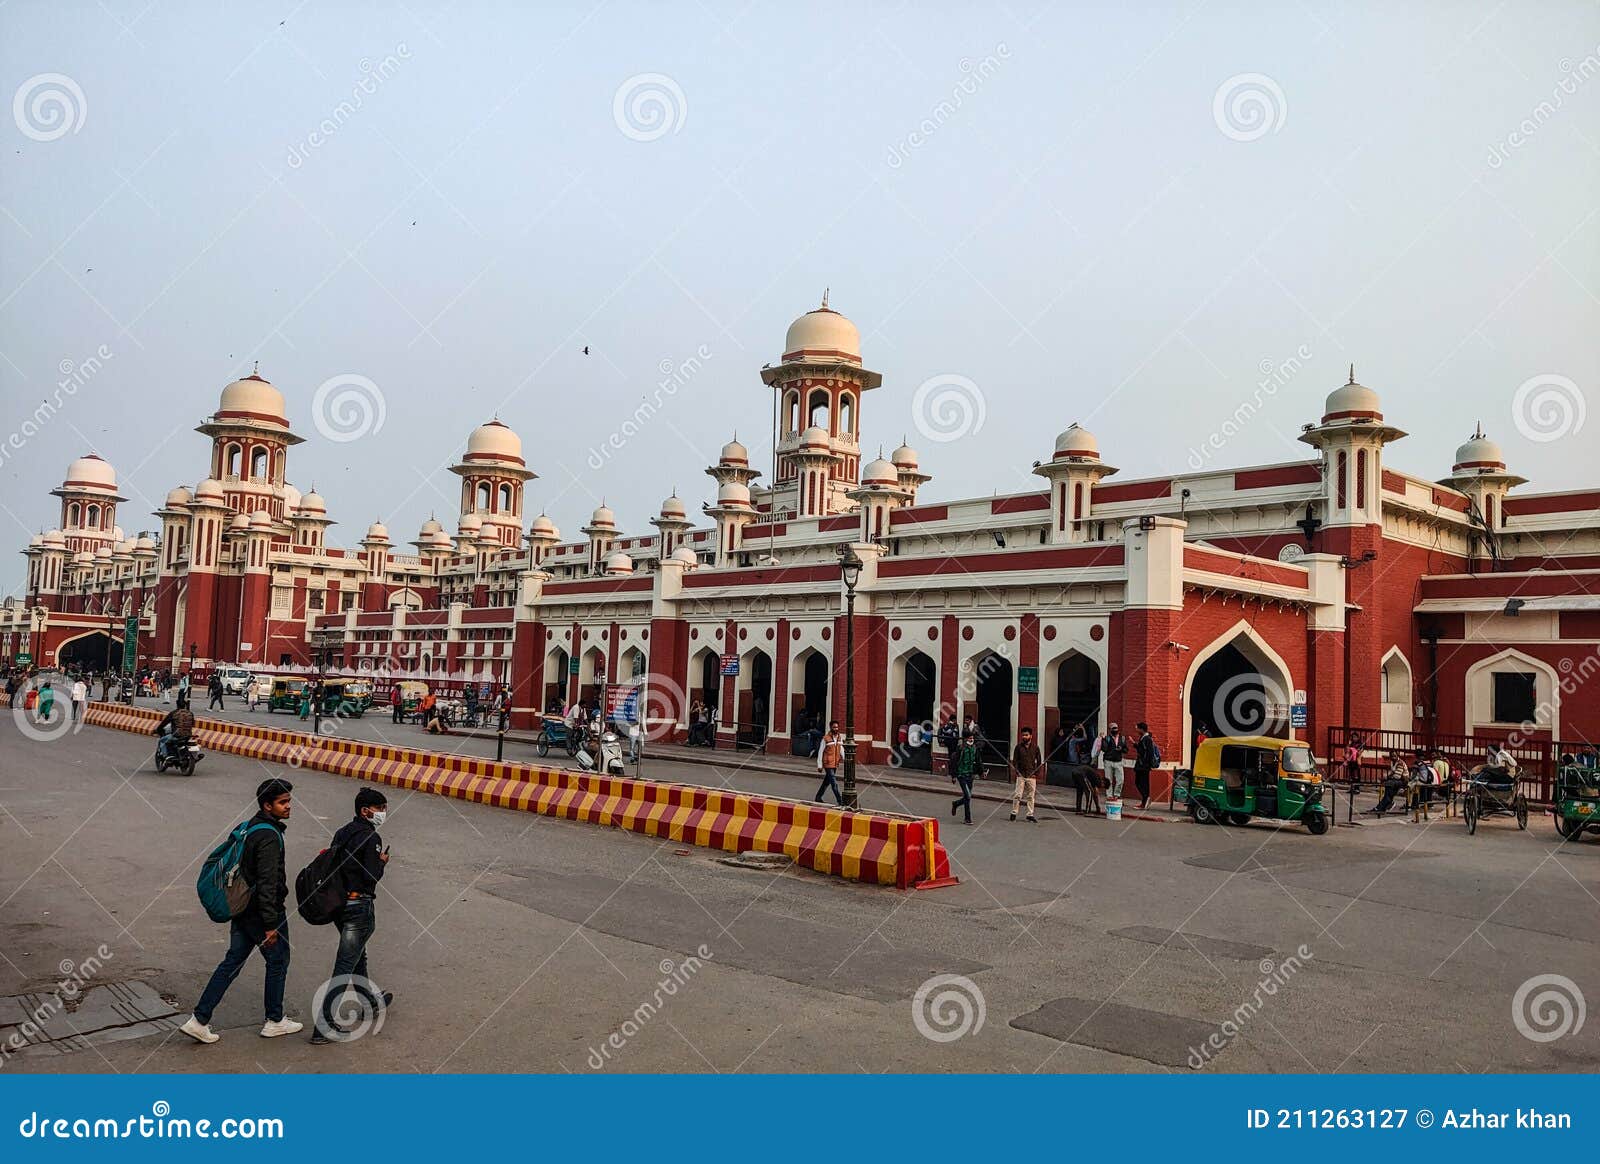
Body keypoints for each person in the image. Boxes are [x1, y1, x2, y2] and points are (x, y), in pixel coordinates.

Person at [180, 778, 301, 1044]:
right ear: (267, 805)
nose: (289, 806)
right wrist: (271, 924)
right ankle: (275, 1020)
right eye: (283, 802)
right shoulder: (269, 836)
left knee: (233, 961)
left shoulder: (249, 827)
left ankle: (199, 1020)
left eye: (289, 800)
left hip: (242, 908)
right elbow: (268, 883)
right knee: (278, 960)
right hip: (261, 912)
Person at [311, 787, 393, 1045]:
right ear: (365, 811)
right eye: (380, 809)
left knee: (357, 955)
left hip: (339, 904)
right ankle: (323, 1026)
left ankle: (370, 1001)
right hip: (359, 906)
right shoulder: (372, 838)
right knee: (346, 964)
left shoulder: (342, 832)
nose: (383, 813)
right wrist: (381, 862)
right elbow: (370, 877)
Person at [1009, 726, 1042, 823]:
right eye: (1023, 735)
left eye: (1026, 735)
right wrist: (1017, 772)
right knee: (1017, 794)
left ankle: (1030, 814)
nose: (1024, 737)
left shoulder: (1035, 748)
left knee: (1031, 796)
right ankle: (1014, 812)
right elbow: (1015, 761)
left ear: (1031, 736)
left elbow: (1039, 761)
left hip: (1031, 775)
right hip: (1021, 774)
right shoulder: (1018, 747)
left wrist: (1036, 773)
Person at [950, 730, 982, 825]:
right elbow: (954, 762)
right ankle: (967, 818)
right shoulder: (960, 749)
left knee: (967, 797)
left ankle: (956, 804)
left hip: (970, 774)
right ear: (965, 739)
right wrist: (954, 776)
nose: (972, 739)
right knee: (968, 796)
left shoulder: (974, 748)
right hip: (961, 775)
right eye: (970, 738)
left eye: (972, 738)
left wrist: (981, 772)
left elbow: (978, 760)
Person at [153, 697, 197, 765]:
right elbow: (193, 724)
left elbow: (164, 723)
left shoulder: (174, 713)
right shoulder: (190, 713)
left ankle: (166, 756)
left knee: (162, 740)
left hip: (177, 735)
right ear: (185, 705)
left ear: (177, 705)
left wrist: (158, 730)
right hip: (188, 735)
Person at [1095, 722, 1129, 800]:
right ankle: (1109, 795)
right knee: (1108, 780)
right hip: (1108, 761)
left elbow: (1126, 750)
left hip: (1118, 761)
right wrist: (1103, 739)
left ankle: (1117, 795)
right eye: (1113, 728)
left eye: (1116, 728)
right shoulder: (1107, 738)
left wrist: (1121, 749)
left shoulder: (1122, 738)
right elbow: (1104, 749)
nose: (1115, 729)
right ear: (1109, 729)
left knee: (1121, 780)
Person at [815, 720, 845, 804]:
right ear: (831, 727)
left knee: (826, 782)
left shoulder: (839, 737)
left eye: (837, 727)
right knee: (834, 783)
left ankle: (818, 797)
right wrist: (819, 765)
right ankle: (840, 800)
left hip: (835, 763)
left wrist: (845, 758)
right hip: (828, 764)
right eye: (834, 727)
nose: (836, 729)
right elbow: (820, 752)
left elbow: (841, 749)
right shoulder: (826, 738)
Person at [1133, 722, 1158, 810]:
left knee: (1140, 782)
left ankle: (1145, 799)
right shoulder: (1143, 738)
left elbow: (1149, 753)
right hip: (1142, 764)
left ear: (1141, 729)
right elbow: (1142, 749)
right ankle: (1145, 800)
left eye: (1138, 728)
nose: (1137, 730)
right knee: (1142, 783)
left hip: (1143, 765)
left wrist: (1147, 763)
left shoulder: (1147, 739)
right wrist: (1136, 745)